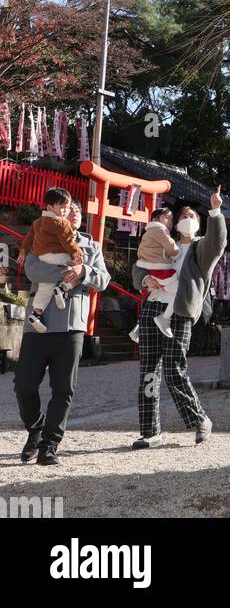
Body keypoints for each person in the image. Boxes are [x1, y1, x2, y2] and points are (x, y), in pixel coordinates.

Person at [15, 197, 110, 467]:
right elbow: (32, 269)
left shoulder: (91, 245)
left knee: (63, 389)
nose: (75, 213)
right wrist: (67, 272)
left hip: (71, 326)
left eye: (79, 210)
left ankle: (49, 444)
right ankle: (35, 429)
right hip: (38, 324)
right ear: (59, 211)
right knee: (23, 385)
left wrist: (85, 271)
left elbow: (104, 280)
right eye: (71, 209)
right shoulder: (42, 233)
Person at [131, 186, 226, 450]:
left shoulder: (200, 250)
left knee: (174, 368)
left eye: (192, 216)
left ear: (199, 223)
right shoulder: (165, 246)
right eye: (182, 215)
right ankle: (150, 431)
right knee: (149, 368)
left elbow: (218, 243)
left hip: (181, 313)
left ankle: (199, 419)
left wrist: (215, 210)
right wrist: (143, 279)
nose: (186, 218)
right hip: (153, 307)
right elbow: (139, 265)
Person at [20, 187, 85, 334]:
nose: (70, 213)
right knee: (75, 270)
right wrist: (78, 260)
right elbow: (69, 242)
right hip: (59, 257)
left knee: (45, 286)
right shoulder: (62, 224)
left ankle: (35, 315)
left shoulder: (37, 222)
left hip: (71, 325)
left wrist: (23, 250)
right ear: (51, 207)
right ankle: (62, 288)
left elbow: (103, 279)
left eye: (76, 211)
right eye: (67, 209)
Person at [128, 207, 180, 341]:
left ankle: (138, 328)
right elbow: (172, 249)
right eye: (166, 217)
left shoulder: (149, 233)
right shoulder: (161, 231)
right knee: (181, 290)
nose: (169, 222)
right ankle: (163, 319)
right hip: (159, 275)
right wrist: (145, 278)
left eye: (172, 219)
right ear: (155, 219)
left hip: (155, 275)